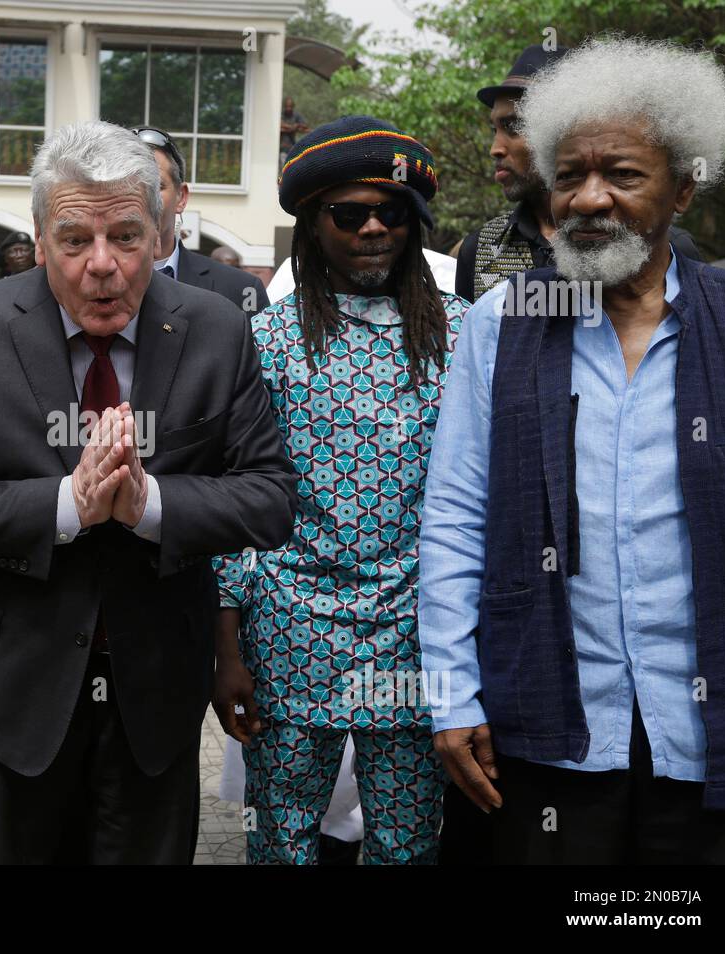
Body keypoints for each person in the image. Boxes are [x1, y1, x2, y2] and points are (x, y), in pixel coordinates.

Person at [0, 119, 297, 864]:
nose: (102, 266)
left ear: (161, 232)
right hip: (1, 700)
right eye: (75, 240)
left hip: (154, 701)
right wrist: (66, 507)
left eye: (126, 236)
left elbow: (270, 499)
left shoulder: (218, 329)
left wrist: (152, 508)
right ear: (41, 240)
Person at [420, 36, 725, 864]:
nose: (589, 199)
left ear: (682, 187)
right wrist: (450, 696)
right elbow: (456, 517)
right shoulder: (501, 324)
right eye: (570, 176)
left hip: (713, 730)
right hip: (550, 732)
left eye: (623, 176)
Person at [214, 116, 467, 864]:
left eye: (392, 212)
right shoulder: (269, 339)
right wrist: (225, 648)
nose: (373, 229)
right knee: (282, 843)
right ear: (313, 227)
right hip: (291, 632)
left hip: (412, 635)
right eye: (349, 214)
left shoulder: (464, 332)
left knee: (406, 844)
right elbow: (237, 498)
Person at [454, 43, 702, 303]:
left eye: (514, 126)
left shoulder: (667, 247)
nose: (495, 149)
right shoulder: (482, 249)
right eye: (495, 129)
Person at [133, 126, 270, 316]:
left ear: (181, 197)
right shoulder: (87, 284)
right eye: (129, 185)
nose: (142, 197)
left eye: (156, 185)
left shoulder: (241, 290)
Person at [279, 97, 309, 170]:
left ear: (293, 107)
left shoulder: (296, 115)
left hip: (292, 147)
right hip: (283, 148)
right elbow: (280, 124)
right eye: (287, 107)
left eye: (290, 107)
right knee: (284, 169)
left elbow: (305, 126)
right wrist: (292, 127)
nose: (288, 108)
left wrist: (297, 125)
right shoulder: (281, 114)